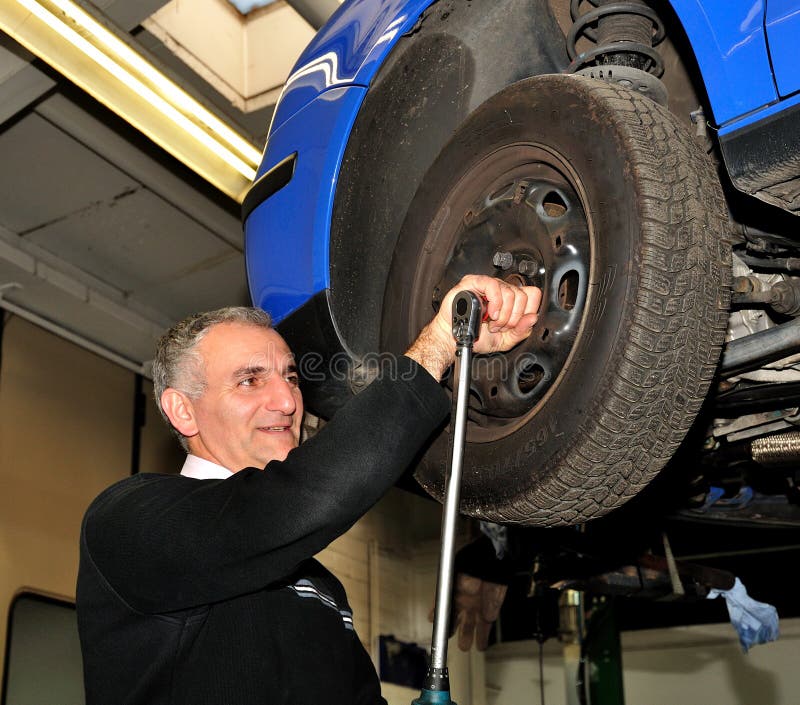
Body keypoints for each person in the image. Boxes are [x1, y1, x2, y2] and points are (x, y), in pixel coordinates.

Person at [76, 274, 541, 705]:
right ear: (182, 411)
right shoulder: (128, 521)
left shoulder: (319, 585)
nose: (287, 401)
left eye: (292, 377)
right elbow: (297, 502)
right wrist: (441, 343)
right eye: (250, 379)